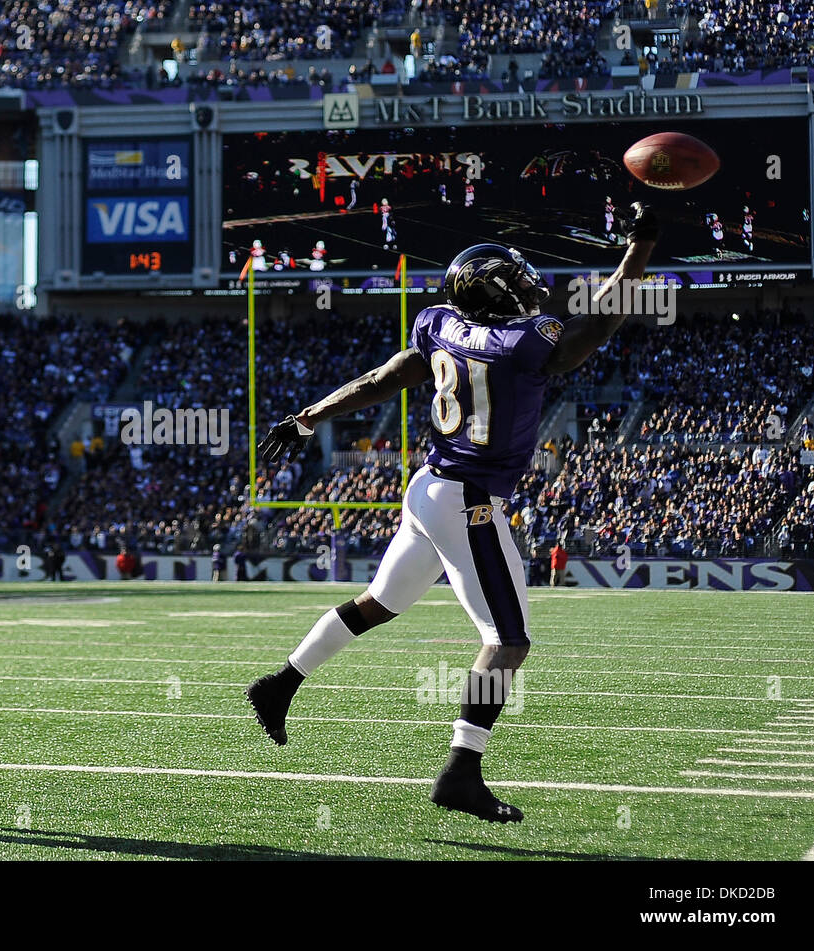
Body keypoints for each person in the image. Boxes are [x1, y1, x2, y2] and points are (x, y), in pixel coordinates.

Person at [246, 204, 660, 823]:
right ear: (498, 295)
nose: (530, 287)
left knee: (378, 605)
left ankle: (279, 684)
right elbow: (598, 326)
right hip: (467, 498)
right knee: (508, 640)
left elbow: (379, 381)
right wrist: (641, 246)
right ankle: (462, 771)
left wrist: (308, 415)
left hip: (428, 489)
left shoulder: (439, 324)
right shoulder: (523, 340)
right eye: (517, 282)